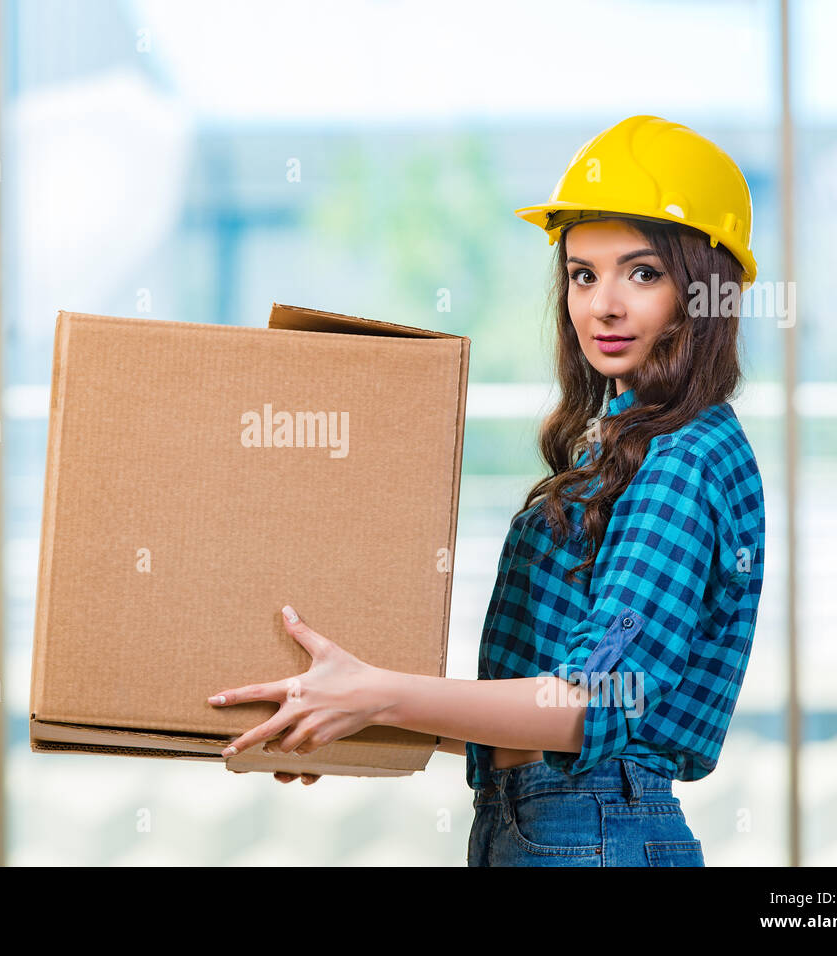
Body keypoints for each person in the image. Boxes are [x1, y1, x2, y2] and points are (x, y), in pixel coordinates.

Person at [208, 115, 767, 867]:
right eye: (582, 273)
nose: (602, 303)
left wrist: (381, 695)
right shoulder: (622, 449)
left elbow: (588, 704)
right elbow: (536, 714)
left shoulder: (683, 459)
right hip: (547, 825)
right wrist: (353, 716)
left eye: (643, 272)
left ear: (706, 291)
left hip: (590, 826)